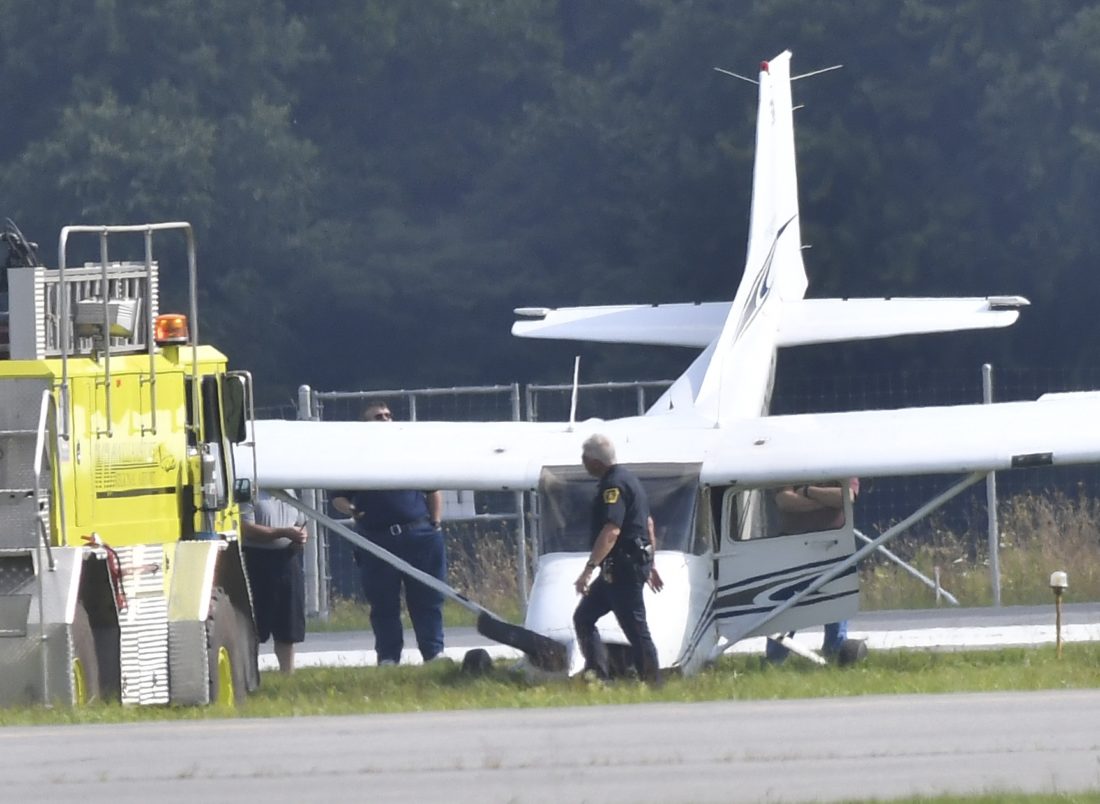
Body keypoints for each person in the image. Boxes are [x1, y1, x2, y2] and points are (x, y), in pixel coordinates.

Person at [330, 401, 446, 666]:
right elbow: (338, 497)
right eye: (378, 417)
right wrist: (351, 509)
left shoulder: (408, 452)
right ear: (365, 425)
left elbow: (433, 489)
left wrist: (435, 523)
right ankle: (388, 657)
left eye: (388, 415)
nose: (385, 420)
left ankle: (434, 653)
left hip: (418, 534)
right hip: (376, 539)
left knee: (427, 598)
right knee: (383, 603)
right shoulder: (354, 459)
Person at [573, 434, 663, 684]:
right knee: (584, 617)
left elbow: (612, 531)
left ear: (595, 462)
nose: (583, 462)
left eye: (584, 458)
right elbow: (648, 523)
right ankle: (598, 675)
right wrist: (652, 564)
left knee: (636, 629)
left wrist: (588, 569)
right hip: (618, 570)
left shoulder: (613, 486)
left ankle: (653, 685)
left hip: (624, 570)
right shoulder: (630, 480)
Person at [766, 478, 864, 664]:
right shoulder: (786, 465)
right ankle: (775, 659)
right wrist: (825, 502)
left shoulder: (842, 465)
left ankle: (835, 655)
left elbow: (846, 497)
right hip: (792, 545)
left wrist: (808, 491)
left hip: (833, 546)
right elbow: (784, 500)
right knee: (785, 605)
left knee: (836, 600)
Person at [241, 488, 308, 673]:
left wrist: (300, 536)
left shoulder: (290, 493)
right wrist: (283, 532)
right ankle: (250, 674)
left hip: (288, 559)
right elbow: (247, 529)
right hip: (257, 560)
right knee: (254, 625)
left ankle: (288, 674)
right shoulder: (250, 492)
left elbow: (301, 524)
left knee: (288, 624)